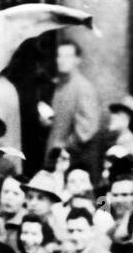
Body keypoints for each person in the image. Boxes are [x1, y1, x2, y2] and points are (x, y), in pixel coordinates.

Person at [43, 39, 100, 173]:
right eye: (59, 55)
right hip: (56, 156)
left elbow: (88, 128)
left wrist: (64, 146)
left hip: (72, 160)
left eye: (67, 56)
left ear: (77, 60)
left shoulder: (83, 87)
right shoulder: (61, 86)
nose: (61, 60)